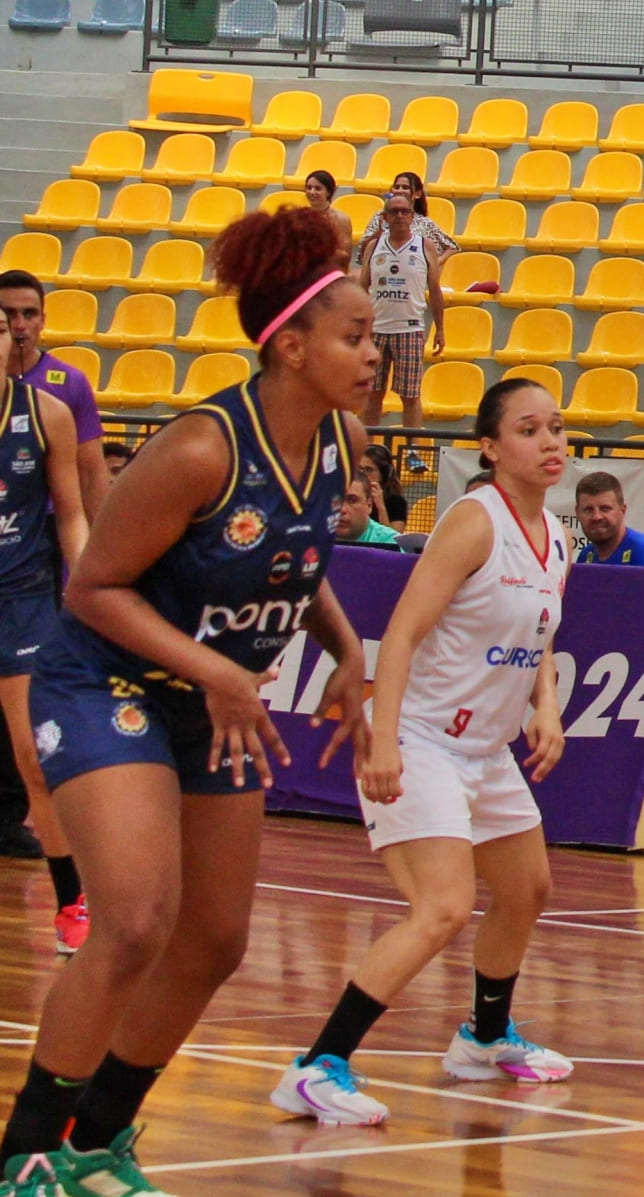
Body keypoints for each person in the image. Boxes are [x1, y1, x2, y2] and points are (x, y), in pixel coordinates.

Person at [0, 205, 371, 1194]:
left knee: (214, 941)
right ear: (289, 345)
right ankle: (27, 1155)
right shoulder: (203, 447)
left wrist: (344, 650)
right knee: (132, 922)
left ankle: (96, 1142)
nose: (373, 354)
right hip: (103, 681)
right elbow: (92, 588)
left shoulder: (339, 438)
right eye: (355, 336)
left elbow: (302, 558)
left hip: (214, 702)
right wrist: (214, 670)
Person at [272, 377, 574, 1126]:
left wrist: (546, 707)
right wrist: (382, 742)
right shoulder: (474, 523)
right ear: (491, 446)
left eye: (557, 428)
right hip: (424, 737)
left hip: (487, 748)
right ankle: (317, 1067)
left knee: (527, 887)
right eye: (530, 430)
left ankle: (483, 1036)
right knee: (441, 907)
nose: (550, 443)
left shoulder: (559, 536)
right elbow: (401, 632)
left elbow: (538, 635)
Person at [0, 316, 91, 952]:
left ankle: (71, 903)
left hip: (22, 602)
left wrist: (84, 597)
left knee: (35, 757)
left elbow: (73, 517)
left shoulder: (47, 413)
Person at [0, 271, 110, 521]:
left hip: (46, 530)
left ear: (43, 320)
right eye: (9, 313)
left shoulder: (70, 383)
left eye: (29, 313)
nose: (19, 325)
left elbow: (91, 473)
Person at [356, 193, 446, 436]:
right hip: (376, 330)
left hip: (409, 329)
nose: (399, 216)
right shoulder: (373, 246)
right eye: (393, 212)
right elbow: (362, 287)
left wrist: (440, 328)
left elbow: (435, 290)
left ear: (412, 216)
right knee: (373, 393)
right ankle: (368, 449)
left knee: (410, 394)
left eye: (404, 211)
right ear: (384, 217)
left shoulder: (424, 246)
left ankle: (412, 450)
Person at [353, 172, 457, 266]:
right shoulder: (380, 217)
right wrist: (379, 232)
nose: (399, 191)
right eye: (396, 187)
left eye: (405, 187)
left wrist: (436, 262)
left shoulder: (425, 223)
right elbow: (363, 251)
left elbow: (452, 247)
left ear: (417, 194)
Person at [572, 472, 644, 567]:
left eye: (605, 509)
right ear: (577, 513)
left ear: (622, 510)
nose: (596, 517)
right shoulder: (585, 556)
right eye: (588, 510)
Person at [335, 476, 406, 548]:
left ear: (369, 505)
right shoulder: (322, 536)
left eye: (352, 500)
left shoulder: (392, 544)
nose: (342, 510)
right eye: (335, 500)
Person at [302, 169, 353, 267]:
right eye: (309, 188)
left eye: (318, 188)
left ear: (328, 192)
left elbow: (345, 255)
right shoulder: (300, 217)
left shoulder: (341, 219)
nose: (312, 192)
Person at [363, 444, 410, 525]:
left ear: (384, 473)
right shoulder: (351, 496)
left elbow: (393, 537)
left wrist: (380, 506)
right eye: (360, 469)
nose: (363, 474)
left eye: (369, 469)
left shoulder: (397, 502)